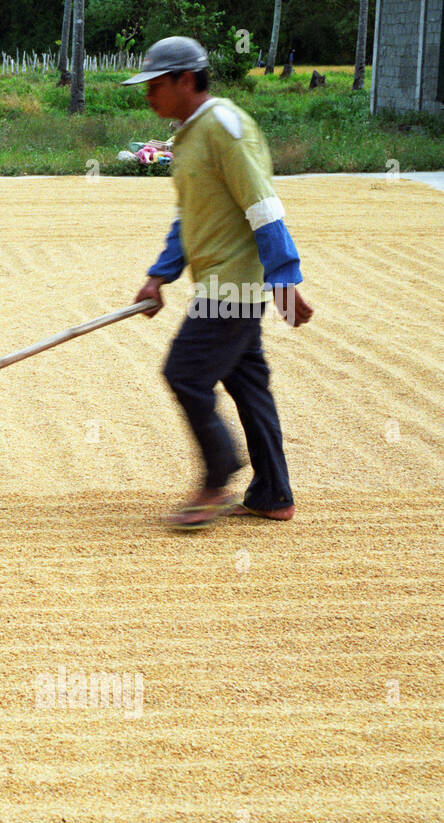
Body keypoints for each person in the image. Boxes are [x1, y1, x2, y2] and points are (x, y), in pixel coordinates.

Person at [123, 36, 314, 529]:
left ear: (186, 80)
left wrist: (285, 279)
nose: (148, 95)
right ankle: (273, 494)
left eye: (155, 85)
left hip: (232, 289)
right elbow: (190, 215)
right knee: (250, 389)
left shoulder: (225, 127)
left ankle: (218, 475)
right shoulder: (188, 135)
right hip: (220, 283)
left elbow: (263, 205)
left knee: (185, 373)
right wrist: (158, 276)